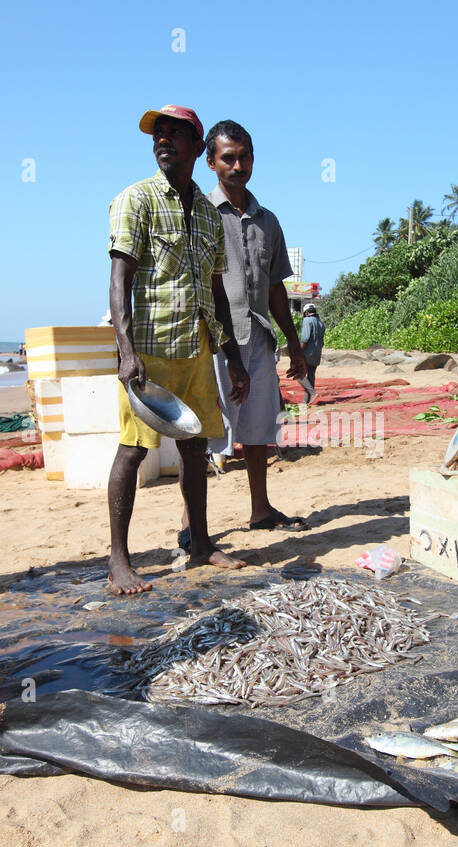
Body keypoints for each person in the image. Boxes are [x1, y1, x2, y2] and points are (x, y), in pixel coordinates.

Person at [106, 104, 251, 594]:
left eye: (173, 134)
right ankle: (119, 560)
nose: (162, 141)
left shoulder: (210, 216)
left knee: (195, 450)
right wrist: (125, 350)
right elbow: (119, 280)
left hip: (195, 347)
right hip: (148, 350)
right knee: (133, 450)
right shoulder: (136, 200)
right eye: (157, 135)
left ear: (196, 146)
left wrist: (232, 358)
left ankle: (202, 544)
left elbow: (215, 294)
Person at [197, 119, 309, 540]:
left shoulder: (269, 221)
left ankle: (260, 510)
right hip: (214, 342)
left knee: (260, 428)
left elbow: (277, 286)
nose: (237, 166)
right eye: (228, 158)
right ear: (211, 162)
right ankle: (192, 525)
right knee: (207, 432)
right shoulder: (202, 215)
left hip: (260, 338)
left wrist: (295, 343)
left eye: (244, 157)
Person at [299, 302, 325, 402]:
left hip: (307, 354)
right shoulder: (321, 323)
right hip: (317, 353)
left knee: (298, 374)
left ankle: (313, 393)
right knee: (311, 376)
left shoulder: (307, 320)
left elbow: (305, 339)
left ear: (306, 313)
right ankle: (306, 401)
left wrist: (299, 352)